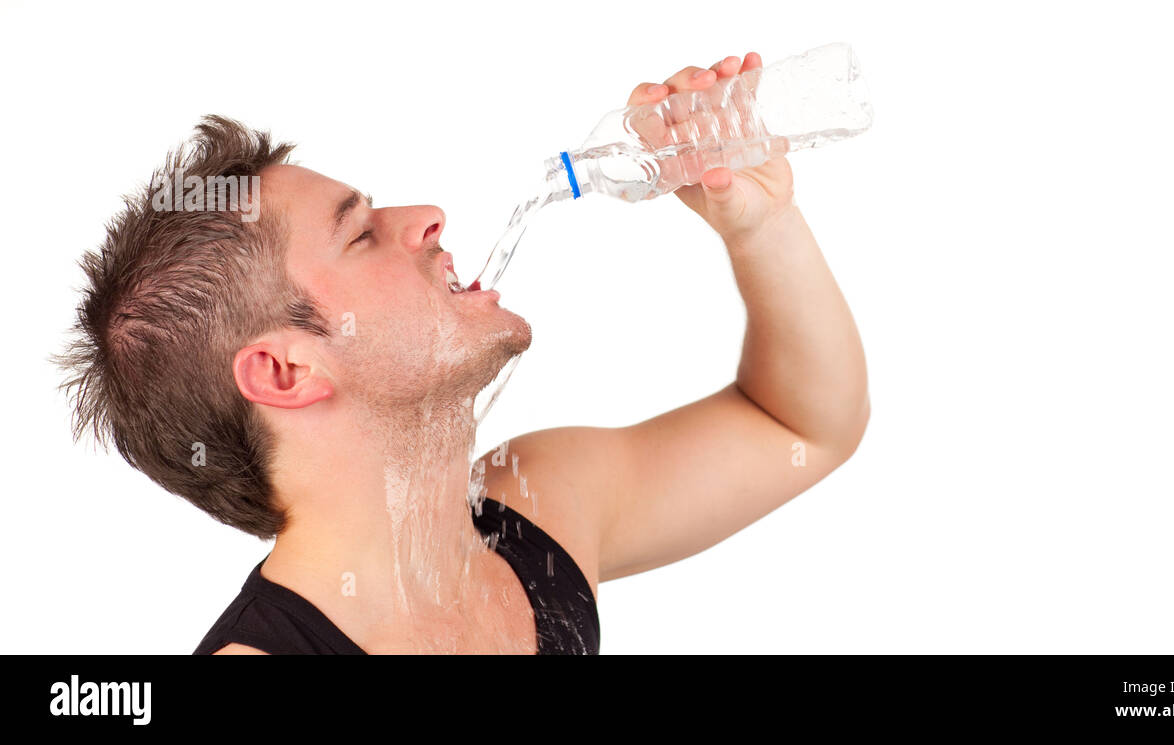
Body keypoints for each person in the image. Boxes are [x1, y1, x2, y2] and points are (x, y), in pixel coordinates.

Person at [56, 51, 869, 654]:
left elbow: (801, 425)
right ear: (285, 370)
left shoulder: (533, 508)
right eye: (361, 233)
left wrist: (757, 223)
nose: (428, 216)